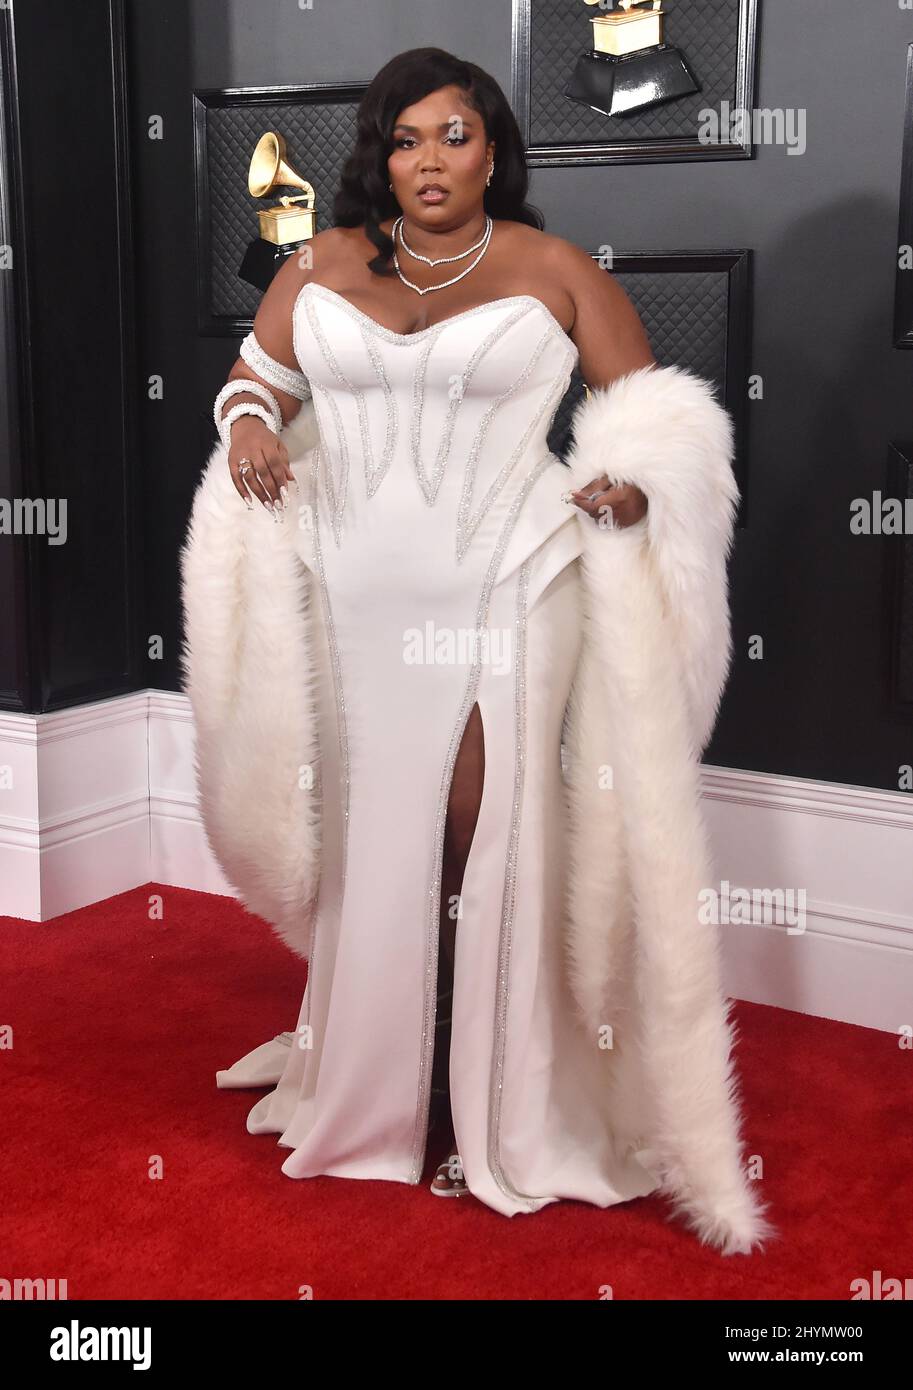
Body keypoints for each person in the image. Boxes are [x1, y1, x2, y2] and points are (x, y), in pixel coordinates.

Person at [190, 46, 774, 1251]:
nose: (429, 161)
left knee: (480, 834)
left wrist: (631, 484)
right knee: (367, 839)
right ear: (378, 157)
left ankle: (494, 1100)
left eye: (452, 136)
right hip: (348, 606)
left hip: (510, 589)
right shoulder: (319, 265)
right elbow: (250, 385)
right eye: (405, 140)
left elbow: (657, 417)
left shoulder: (550, 269)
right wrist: (250, 425)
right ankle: (370, 1087)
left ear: (493, 147)